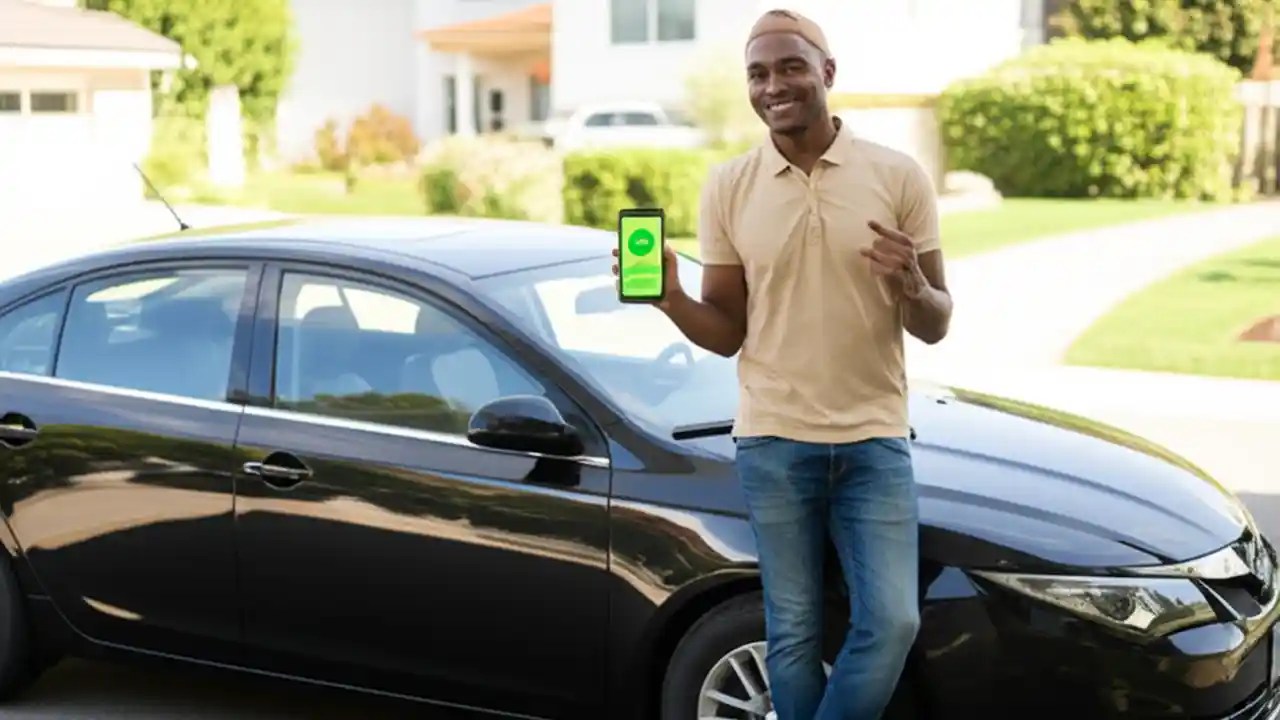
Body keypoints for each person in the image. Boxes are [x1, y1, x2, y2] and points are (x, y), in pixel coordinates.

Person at [612, 8, 953, 720]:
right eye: (758, 74)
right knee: (792, 634)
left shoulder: (898, 177)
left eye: (791, 67)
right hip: (773, 440)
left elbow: (935, 324)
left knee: (891, 621)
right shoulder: (730, 187)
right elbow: (727, 330)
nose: (774, 86)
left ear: (828, 72)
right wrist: (672, 298)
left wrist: (914, 288)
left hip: (873, 439)